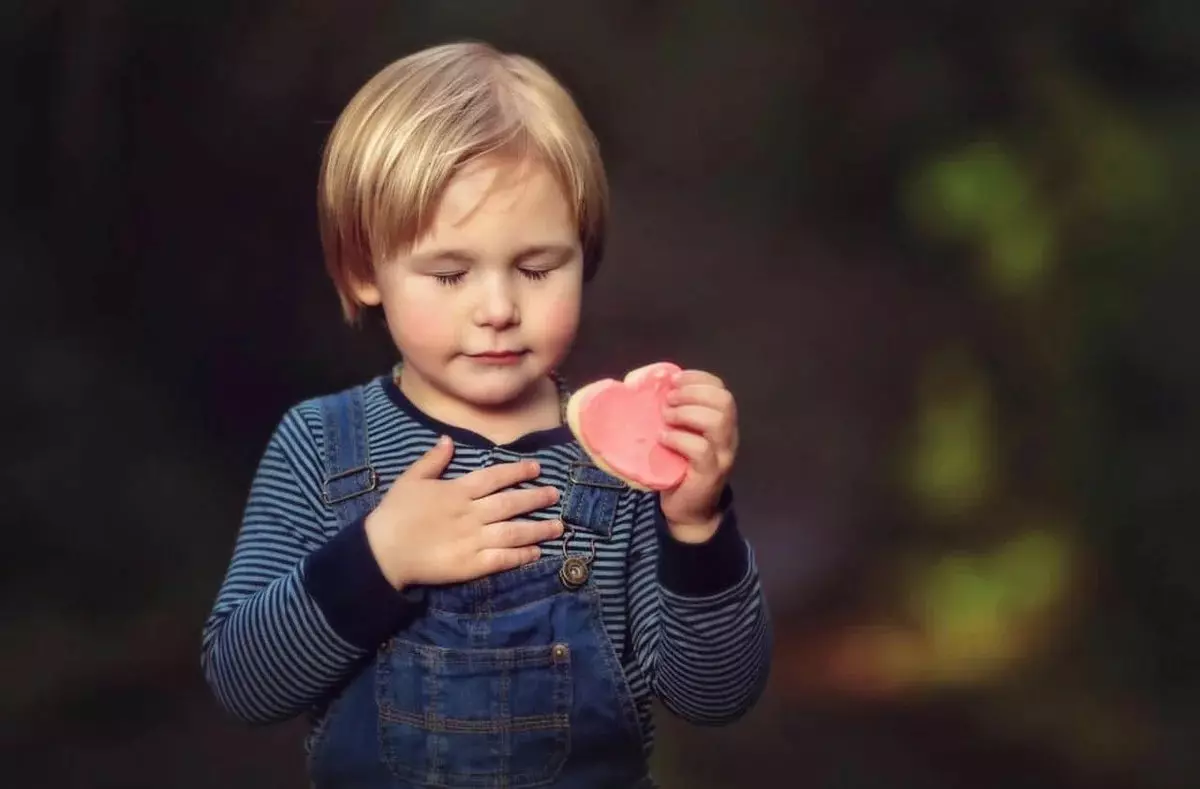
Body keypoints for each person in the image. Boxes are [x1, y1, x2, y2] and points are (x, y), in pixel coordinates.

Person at [201, 41, 771, 788]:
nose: (498, 309)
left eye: (537, 268)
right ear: (364, 272)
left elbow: (717, 694)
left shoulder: (626, 459)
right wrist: (377, 559)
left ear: (583, 253)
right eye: (449, 272)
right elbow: (244, 682)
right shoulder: (320, 443)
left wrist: (697, 527)